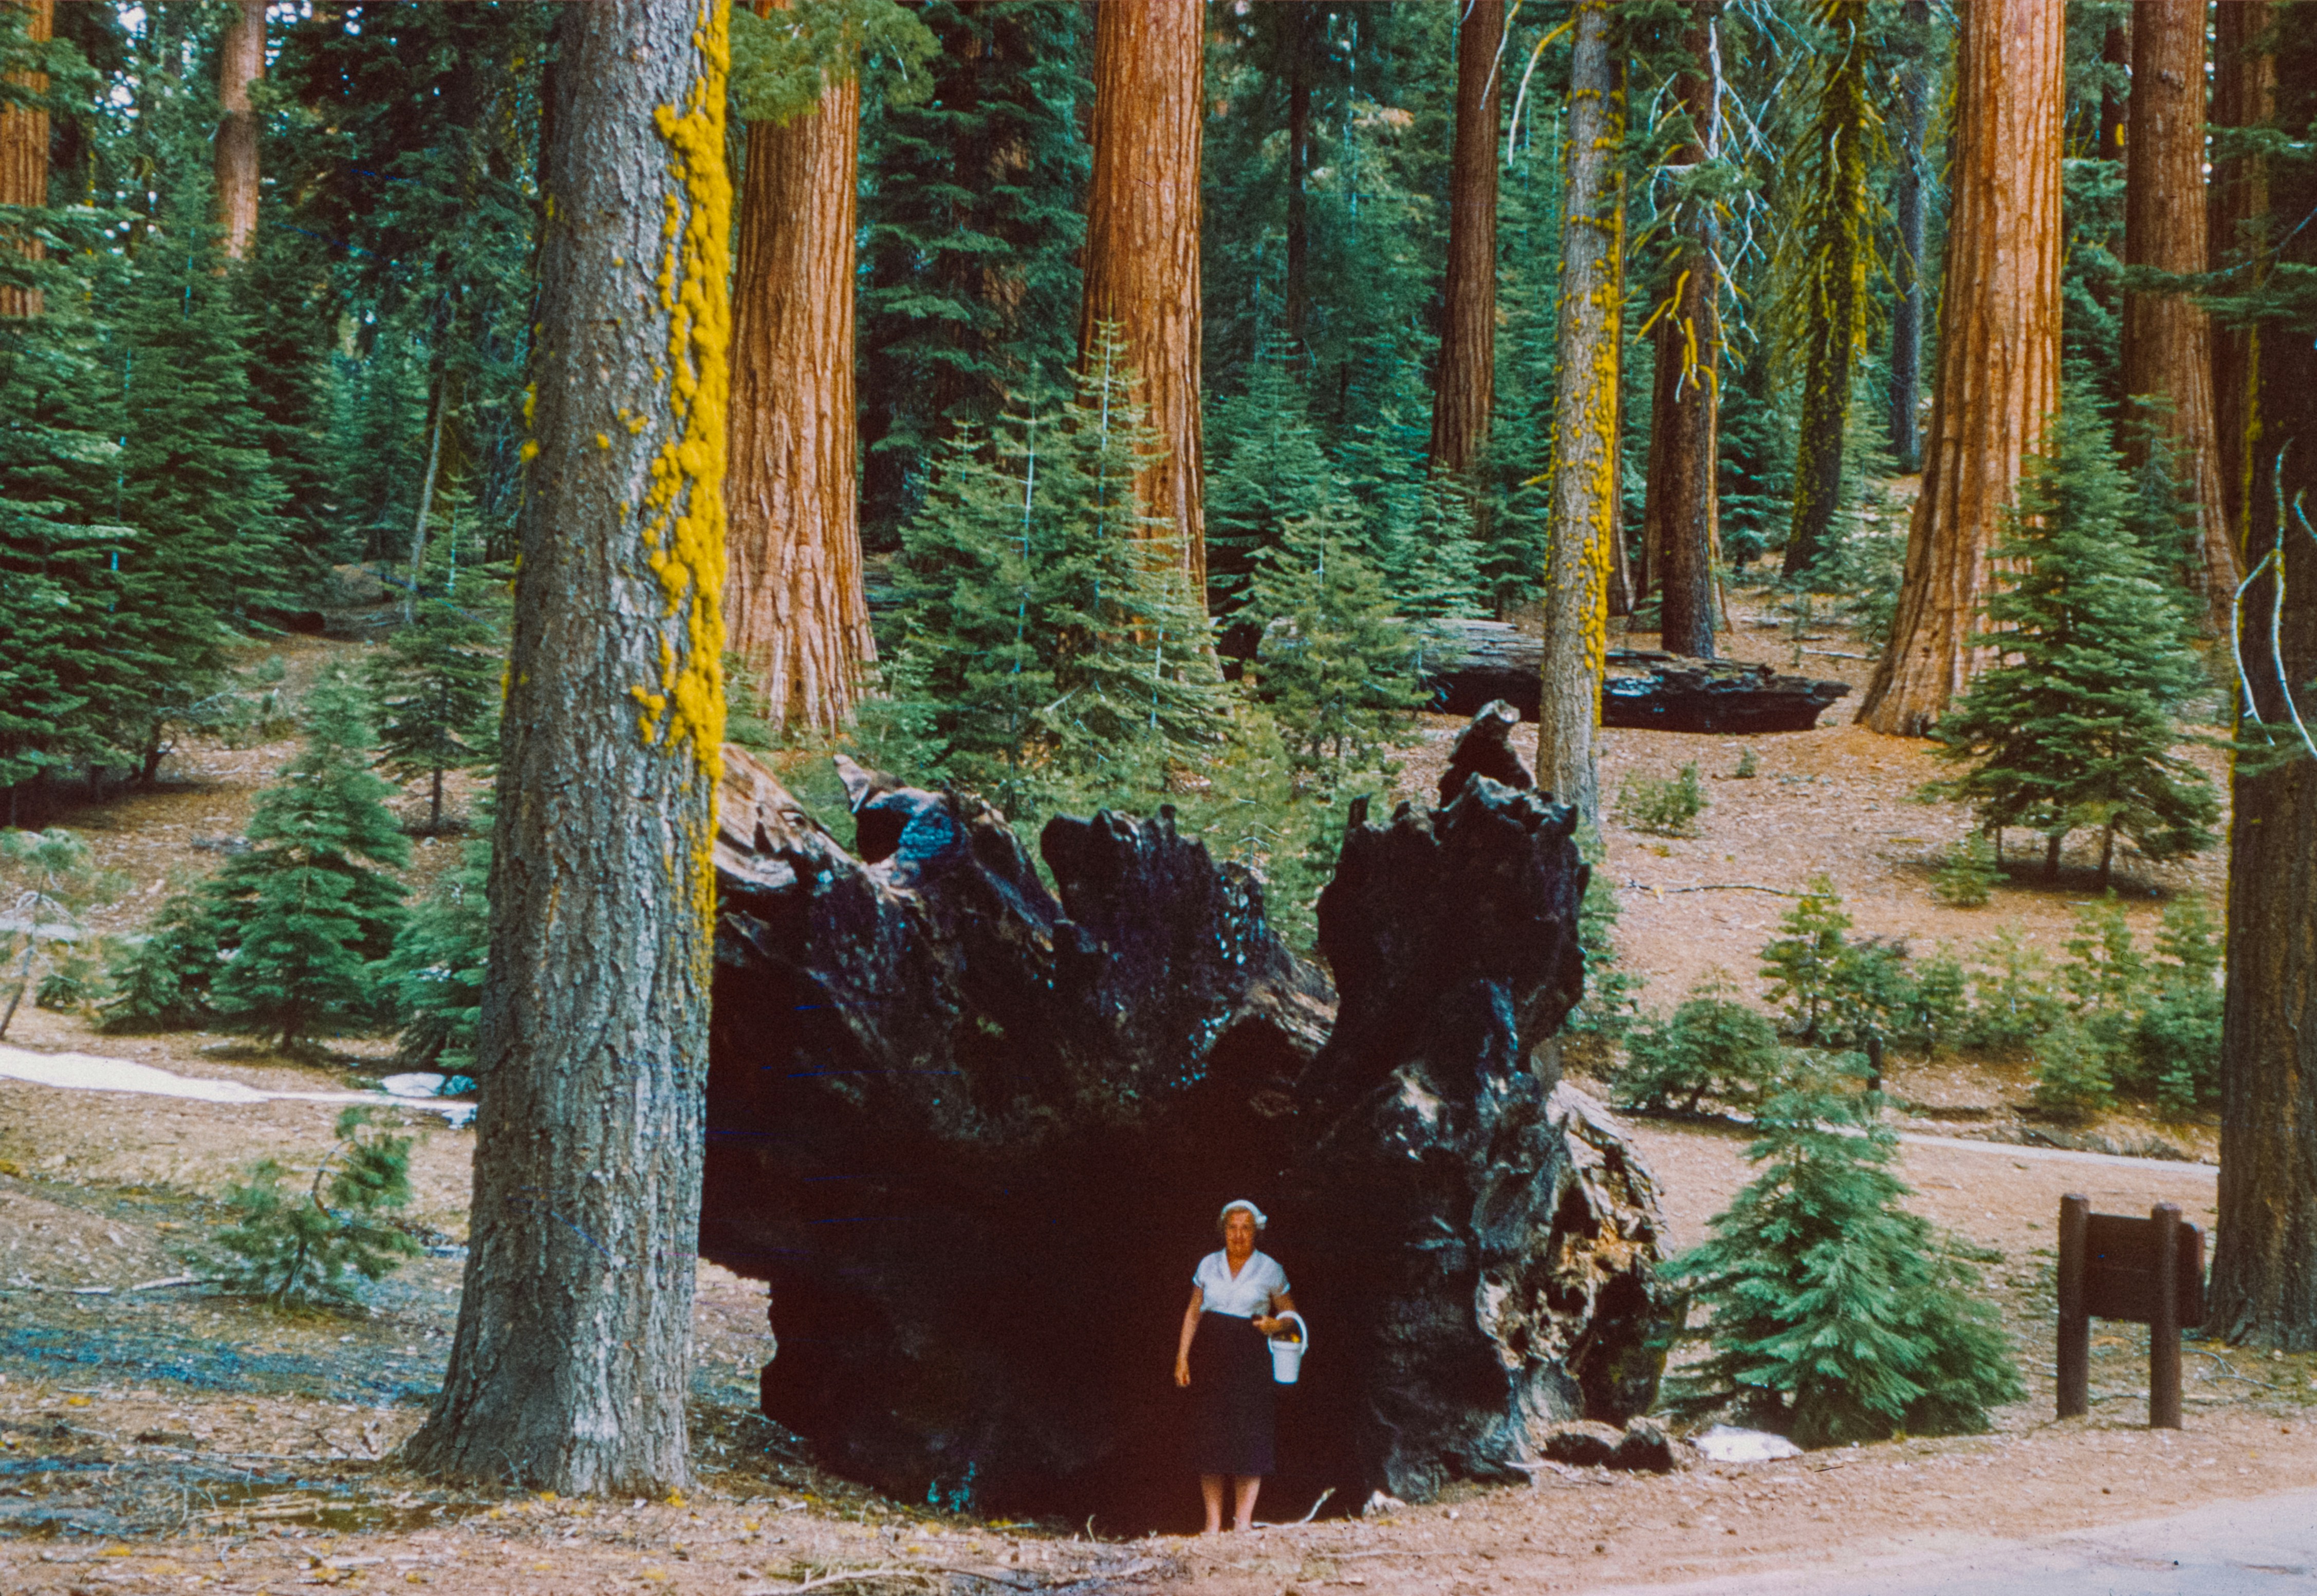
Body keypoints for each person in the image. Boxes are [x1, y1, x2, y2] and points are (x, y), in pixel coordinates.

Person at [1174, 1199, 1297, 1534]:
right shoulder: (1208, 1265)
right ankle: (1211, 1524)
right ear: (1223, 1230)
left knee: (1249, 1436)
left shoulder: (1270, 1269)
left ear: (1256, 1231)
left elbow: (1291, 1317)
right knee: (1210, 1436)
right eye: (1232, 1227)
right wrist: (1182, 1357)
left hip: (1251, 1358)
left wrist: (1278, 1325)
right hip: (1210, 1356)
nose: (1238, 1235)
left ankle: (1242, 1523)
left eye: (1246, 1228)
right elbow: (1193, 1312)